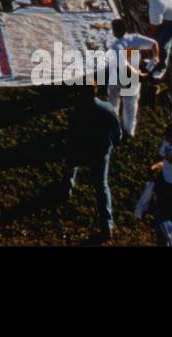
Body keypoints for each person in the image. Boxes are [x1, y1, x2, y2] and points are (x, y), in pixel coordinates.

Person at [64, 85, 122, 243]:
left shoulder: (78, 109)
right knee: (101, 186)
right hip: (100, 152)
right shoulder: (108, 108)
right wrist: (114, 144)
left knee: (71, 166)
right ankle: (107, 224)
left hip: (80, 148)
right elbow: (117, 132)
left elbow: (71, 130)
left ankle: (67, 187)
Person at [104, 18, 159, 137]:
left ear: (114, 31)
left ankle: (113, 126)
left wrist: (138, 74)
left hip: (119, 76)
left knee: (113, 101)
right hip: (133, 78)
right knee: (131, 105)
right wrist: (155, 58)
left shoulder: (115, 46)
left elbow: (124, 64)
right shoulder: (135, 38)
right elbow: (154, 44)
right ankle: (129, 130)